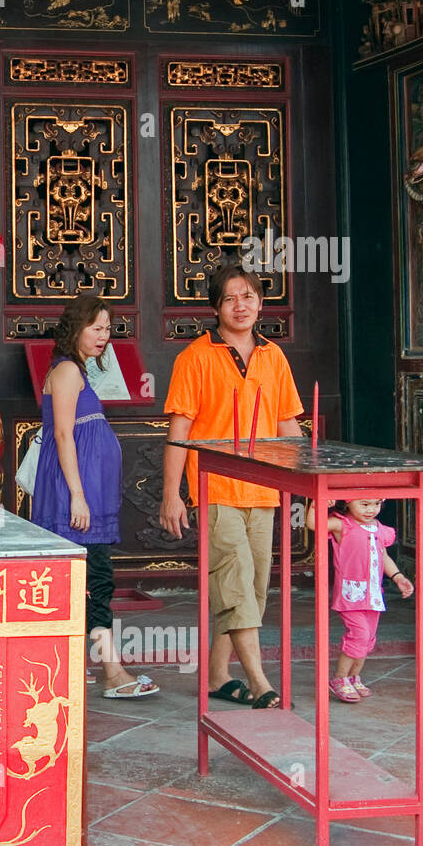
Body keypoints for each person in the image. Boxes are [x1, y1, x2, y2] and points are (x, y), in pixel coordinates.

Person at [160, 264, 303, 710]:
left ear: (260, 303)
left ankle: (217, 676)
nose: (240, 306)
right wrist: (171, 494)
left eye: (248, 296)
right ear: (216, 307)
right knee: (236, 583)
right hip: (215, 486)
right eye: (229, 298)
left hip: (263, 490)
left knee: (253, 588)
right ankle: (260, 682)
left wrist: (313, 480)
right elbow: (179, 429)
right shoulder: (195, 357)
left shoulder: (273, 356)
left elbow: (287, 424)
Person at [32, 295, 158, 698]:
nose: (104, 336)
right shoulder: (67, 370)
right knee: (95, 580)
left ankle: (78, 666)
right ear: (76, 329)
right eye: (96, 328)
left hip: (86, 492)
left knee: (83, 581)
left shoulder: (75, 369)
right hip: (76, 493)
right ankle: (112, 673)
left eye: (108, 329)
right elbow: (64, 434)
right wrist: (78, 496)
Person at [307, 498, 413, 702]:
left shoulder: (379, 529)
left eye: (375, 504)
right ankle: (339, 678)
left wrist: (398, 577)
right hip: (351, 595)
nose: (371, 510)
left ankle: (354, 677)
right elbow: (314, 524)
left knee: (368, 639)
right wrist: (315, 505)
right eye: (364, 505)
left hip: (373, 595)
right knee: (359, 635)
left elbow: (383, 556)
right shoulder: (341, 524)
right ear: (348, 503)